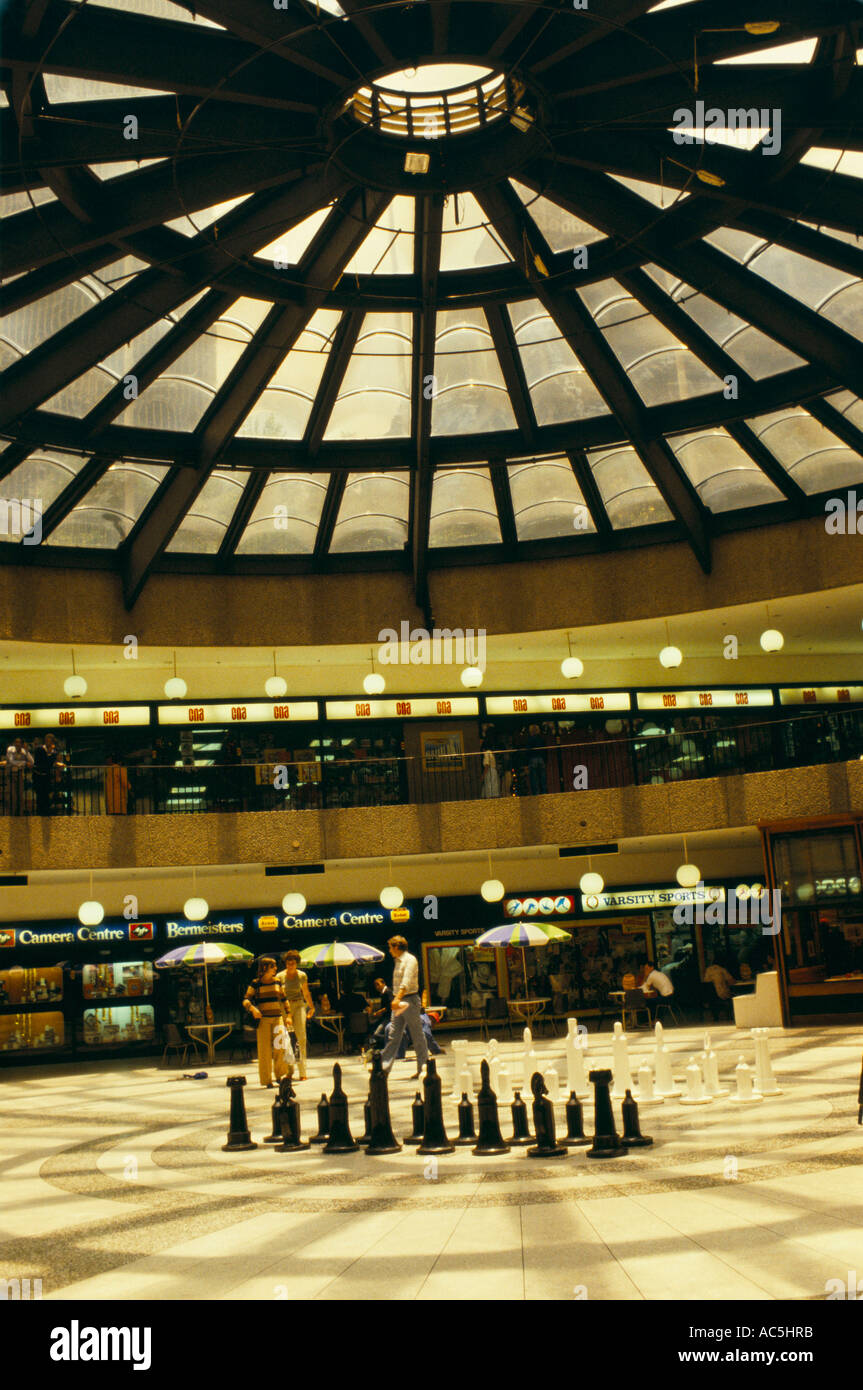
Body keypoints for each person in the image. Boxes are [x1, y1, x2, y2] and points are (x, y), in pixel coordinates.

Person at [379, 936, 428, 1078]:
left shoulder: (410, 960)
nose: (389, 951)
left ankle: (423, 1068)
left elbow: (406, 981)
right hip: (398, 1000)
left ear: (396, 947)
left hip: (409, 1000)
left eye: (390, 947)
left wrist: (398, 998)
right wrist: (396, 999)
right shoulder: (397, 961)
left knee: (417, 1034)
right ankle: (384, 1068)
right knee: (394, 1034)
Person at [243, 957, 294, 1088]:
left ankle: (279, 1075)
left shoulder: (277, 982)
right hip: (263, 1020)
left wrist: (288, 1015)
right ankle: (267, 1080)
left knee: (280, 1047)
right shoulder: (256, 983)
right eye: (273, 966)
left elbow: (284, 999)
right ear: (265, 968)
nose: (276, 969)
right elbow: (245, 1000)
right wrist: (253, 1009)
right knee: (264, 1050)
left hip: (278, 1019)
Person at [275, 949, 315, 1081]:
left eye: (292, 963)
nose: (290, 965)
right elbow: (278, 995)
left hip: (298, 1005)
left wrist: (311, 1007)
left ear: (296, 963)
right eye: (288, 963)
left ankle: (302, 1071)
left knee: (301, 1037)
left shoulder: (302, 975)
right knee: (285, 1038)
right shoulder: (280, 976)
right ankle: (289, 1070)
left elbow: (306, 992)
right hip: (284, 1007)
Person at [702, 955, 738, 1021]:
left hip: (711, 996)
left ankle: (715, 1016)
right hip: (722, 994)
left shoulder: (708, 970)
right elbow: (731, 982)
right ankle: (732, 1016)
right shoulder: (722, 970)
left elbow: (706, 982)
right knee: (735, 995)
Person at [3, 737, 33, 814]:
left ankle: (20, 812)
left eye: (19, 743)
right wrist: (24, 763)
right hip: (11, 774)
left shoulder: (24, 751)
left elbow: (32, 761)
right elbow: (11, 761)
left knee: (20, 794)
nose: (17, 744)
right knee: (12, 794)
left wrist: (26, 751)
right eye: (16, 742)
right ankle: (12, 812)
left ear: (22, 744)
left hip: (20, 774)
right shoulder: (10, 750)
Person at [33, 734, 59, 816]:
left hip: (46, 775)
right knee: (40, 794)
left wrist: (50, 754)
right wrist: (49, 754)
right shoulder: (39, 749)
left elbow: (50, 763)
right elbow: (42, 762)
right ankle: (40, 811)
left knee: (46, 794)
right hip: (38, 775)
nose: (49, 743)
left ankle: (46, 811)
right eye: (47, 741)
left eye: (50, 741)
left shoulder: (54, 752)